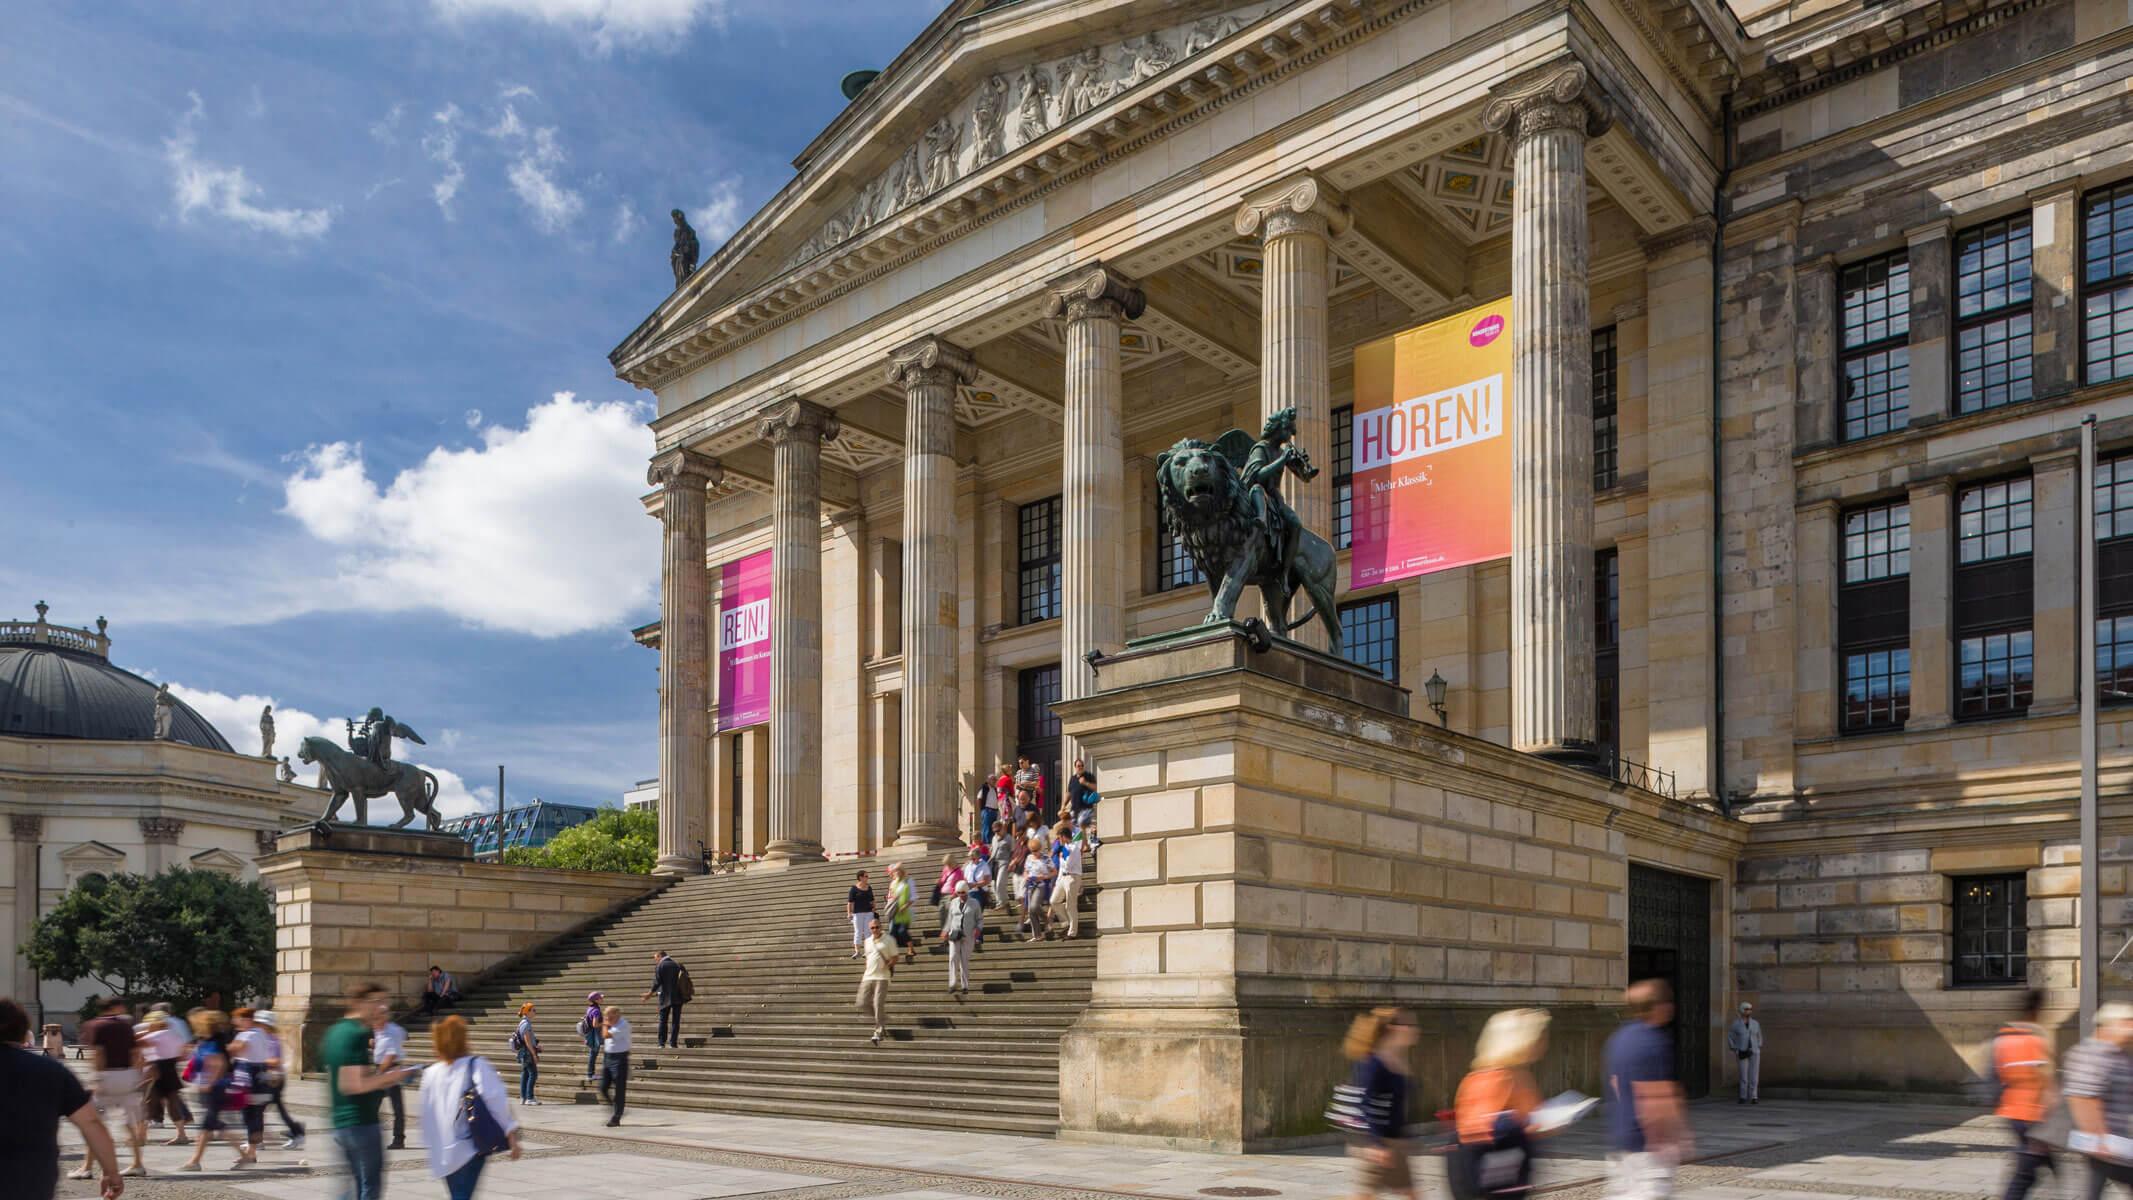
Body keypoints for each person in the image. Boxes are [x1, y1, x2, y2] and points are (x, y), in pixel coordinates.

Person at [1, 996, 124, 1200]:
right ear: (24, 1033)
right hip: (29, 1179)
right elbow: (91, 1122)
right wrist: (111, 1172)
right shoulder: (50, 1071)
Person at [320, 984, 416, 1200]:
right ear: (359, 1003)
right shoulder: (357, 1034)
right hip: (361, 1123)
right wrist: (395, 1076)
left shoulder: (334, 1031)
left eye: (384, 1002)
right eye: (376, 1002)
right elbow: (354, 1084)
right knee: (369, 1188)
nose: (381, 1008)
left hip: (341, 1124)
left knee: (351, 1188)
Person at [1604, 979, 1691, 1200]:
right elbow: (1656, 1097)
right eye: (1667, 1001)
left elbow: (1616, 1084)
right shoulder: (1653, 1041)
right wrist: (1676, 1138)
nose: (1671, 1006)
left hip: (1624, 1141)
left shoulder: (1619, 1038)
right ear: (1656, 1006)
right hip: (1648, 1149)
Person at [419, 1015, 522, 1200]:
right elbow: (497, 1101)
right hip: (468, 1148)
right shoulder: (476, 1065)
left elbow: (426, 1114)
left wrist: (431, 1145)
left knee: (458, 1195)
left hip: (443, 1151)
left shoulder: (431, 1073)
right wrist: (512, 1136)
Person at [1451, 1009, 1549, 1200]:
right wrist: (1530, 1125)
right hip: (1495, 1175)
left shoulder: (1511, 1074)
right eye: (1540, 1037)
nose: (1544, 1044)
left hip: (1507, 1170)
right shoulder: (1500, 1077)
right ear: (1523, 1041)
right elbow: (1480, 1130)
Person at [1341, 1007, 1419, 1200]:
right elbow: (1364, 1103)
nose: (1414, 1029)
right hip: (1378, 1145)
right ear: (1393, 1028)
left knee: (1410, 1193)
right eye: (1408, 1025)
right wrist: (1375, 1144)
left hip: (1394, 1144)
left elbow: (1396, 1108)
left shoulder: (1396, 1059)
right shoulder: (1373, 1062)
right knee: (1366, 1196)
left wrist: (1405, 1137)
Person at [73, 996, 145, 1181]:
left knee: (93, 1122)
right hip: (127, 1075)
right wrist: (136, 1074)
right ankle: (137, 1164)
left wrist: (96, 1078)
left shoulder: (94, 1025)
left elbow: (98, 1053)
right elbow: (136, 1053)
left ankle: (87, 1167)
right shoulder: (126, 1026)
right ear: (116, 1007)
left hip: (107, 1076)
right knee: (128, 1122)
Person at [2066, 1001, 2133, 1199]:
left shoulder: (2120, 1054)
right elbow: (2082, 1098)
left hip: (2116, 1139)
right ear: (2110, 1025)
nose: (2131, 1027)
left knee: (2095, 1186)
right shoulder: (2091, 1054)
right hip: (2104, 1140)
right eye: (2127, 1022)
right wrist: (2099, 1139)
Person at [1994, 989, 2056, 1200]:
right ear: (2037, 1010)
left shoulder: (2003, 1038)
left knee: (2036, 1167)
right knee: (2025, 1174)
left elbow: (2000, 1074)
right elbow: (2045, 1080)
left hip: (2012, 1111)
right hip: (2032, 1115)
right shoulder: (2035, 1040)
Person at [178, 1010, 250, 1172]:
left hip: (216, 1088)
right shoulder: (207, 1041)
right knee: (217, 1126)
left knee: (206, 1126)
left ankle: (194, 1161)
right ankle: (244, 1155)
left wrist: (210, 1082)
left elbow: (220, 1063)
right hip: (210, 1088)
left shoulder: (215, 1041)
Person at [249, 1011, 304, 1149]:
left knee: (259, 1109)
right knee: (262, 1109)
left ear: (265, 1025)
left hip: (274, 1079)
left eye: (259, 1024)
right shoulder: (264, 1038)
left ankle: (296, 1132)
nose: (257, 1026)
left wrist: (258, 1060)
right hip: (268, 1078)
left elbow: (275, 1060)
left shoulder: (272, 1040)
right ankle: (296, 1132)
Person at [137, 1009, 192, 1144]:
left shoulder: (154, 1035)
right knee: (173, 1103)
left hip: (155, 1069)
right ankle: (181, 1135)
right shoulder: (175, 1035)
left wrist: (143, 1034)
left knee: (148, 1103)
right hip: (171, 1069)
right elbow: (184, 1054)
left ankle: (141, 1137)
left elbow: (133, 1042)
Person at [374, 1007, 411, 1150]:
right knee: (371, 1107)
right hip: (381, 1069)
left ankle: (399, 1139)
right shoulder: (379, 1029)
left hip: (389, 1071)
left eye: (377, 1017)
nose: (374, 1020)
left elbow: (392, 1055)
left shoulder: (392, 1031)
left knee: (397, 1108)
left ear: (384, 1016)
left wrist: (379, 1074)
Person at [857, 913, 895, 1045]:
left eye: (877, 927)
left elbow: (895, 957)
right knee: (861, 1002)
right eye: (872, 928)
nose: (875, 930)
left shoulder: (889, 940)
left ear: (881, 926)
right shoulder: (867, 941)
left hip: (882, 977)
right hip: (868, 976)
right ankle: (882, 1019)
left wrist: (889, 964)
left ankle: (878, 1032)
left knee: (877, 1004)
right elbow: (867, 958)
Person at [942, 881, 978, 996]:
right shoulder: (953, 902)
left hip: (968, 935)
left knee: (964, 961)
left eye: (963, 892)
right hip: (955, 934)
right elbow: (949, 918)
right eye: (958, 892)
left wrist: (978, 928)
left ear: (967, 891)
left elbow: (980, 919)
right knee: (952, 958)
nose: (961, 894)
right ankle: (952, 984)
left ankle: (965, 986)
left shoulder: (974, 903)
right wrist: (945, 930)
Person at [1050, 826, 1086, 939]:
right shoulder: (1065, 848)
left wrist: (1062, 856)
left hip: (1073, 877)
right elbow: (1062, 868)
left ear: (1064, 837)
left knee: (1071, 905)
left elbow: (1068, 866)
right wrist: (1058, 881)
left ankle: (1072, 932)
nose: (1058, 840)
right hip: (1063, 878)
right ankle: (1067, 922)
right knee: (1054, 901)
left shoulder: (1074, 848)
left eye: (1059, 837)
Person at [598, 1005, 632, 1126]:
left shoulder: (623, 1024)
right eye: (606, 1015)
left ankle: (616, 1117)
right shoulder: (611, 1023)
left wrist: (604, 1025)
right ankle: (616, 1107)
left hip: (620, 1059)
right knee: (602, 1087)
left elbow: (606, 1035)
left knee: (619, 1089)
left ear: (617, 1014)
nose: (607, 1018)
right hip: (608, 1057)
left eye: (609, 1015)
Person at [644, 950, 684, 1049]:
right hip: (678, 997)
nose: (656, 961)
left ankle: (661, 1043)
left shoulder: (660, 966)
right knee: (676, 1021)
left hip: (664, 997)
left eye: (656, 959)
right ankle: (673, 1043)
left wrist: (650, 993)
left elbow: (657, 982)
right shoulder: (677, 965)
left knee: (663, 1020)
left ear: (660, 956)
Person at [1727, 1002, 1763, 1104]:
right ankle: (1743, 1096)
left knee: (1754, 1074)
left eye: (1750, 1009)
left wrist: (1758, 1045)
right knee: (1743, 1074)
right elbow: (1730, 1036)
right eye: (1746, 1009)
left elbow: (1759, 1035)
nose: (1749, 1011)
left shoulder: (1755, 1023)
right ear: (1742, 1010)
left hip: (1754, 1051)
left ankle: (1753, 1096)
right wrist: (1735, 1048)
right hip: (1742, 1051)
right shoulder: (1736, 1024)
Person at [1022, 835, 1056, 941]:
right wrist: (1026, 876)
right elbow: (1025, 871)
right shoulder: (1029, 858)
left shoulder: (1046, 858)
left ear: (1040, 848)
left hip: (1041, 885)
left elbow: (1054, 872)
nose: (1034, 853)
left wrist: (1044, 877)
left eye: (1036, 850)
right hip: (1030, 885)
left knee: (1034, 906)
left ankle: (1046, 919)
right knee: (1031, 912)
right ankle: (1037, 935)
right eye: (1032, 851)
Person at [886, 863, 916, 966]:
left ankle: (911, 949)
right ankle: (892, 956)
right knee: (892, 934)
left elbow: (913, 897)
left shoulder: (908, 882)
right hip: (896, 912)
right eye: (895, 871)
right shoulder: (893, 883)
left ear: (902, 871)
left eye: (899, 870)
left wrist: (905, 906)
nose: (897, 872)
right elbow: (892, 895)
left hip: (905, 912)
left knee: (903, 931)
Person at [512, 1003, 542, 1105]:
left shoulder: (523, 1023)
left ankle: (524, 1097)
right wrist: (534, 1054)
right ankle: (530, 1097)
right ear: (528, 1012)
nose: (535, 1012)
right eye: (533, 1010)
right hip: (527, 1052)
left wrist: (536, 1046)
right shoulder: (526, 1024)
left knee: (525, 1074)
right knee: (533, 1074)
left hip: (524, 1052)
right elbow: (527, 1041)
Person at [846, 872, 877, 961]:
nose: (868, 878)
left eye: (868, 876)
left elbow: (872, 899)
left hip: (868, 912)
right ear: (860, 877)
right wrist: (849, 913)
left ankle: (867, 951)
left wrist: (874, 907)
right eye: (866, 876)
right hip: (857, 913)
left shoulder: (869, 887)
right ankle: (857, 951)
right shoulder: (854, 889)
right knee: (858, 932)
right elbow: (850, 902)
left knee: (868, 932)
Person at [580, 992, 604, 1081]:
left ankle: (591, 1074)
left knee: (592, 1054)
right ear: (596, 1000)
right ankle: (590, 1074)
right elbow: (595, 1024)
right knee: (593, 1055)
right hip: (595, 1035)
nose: (602, 999)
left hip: (591, 1034)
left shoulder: (590, 1008)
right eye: (600, 998)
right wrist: (605, 1022)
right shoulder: (596, 1010)